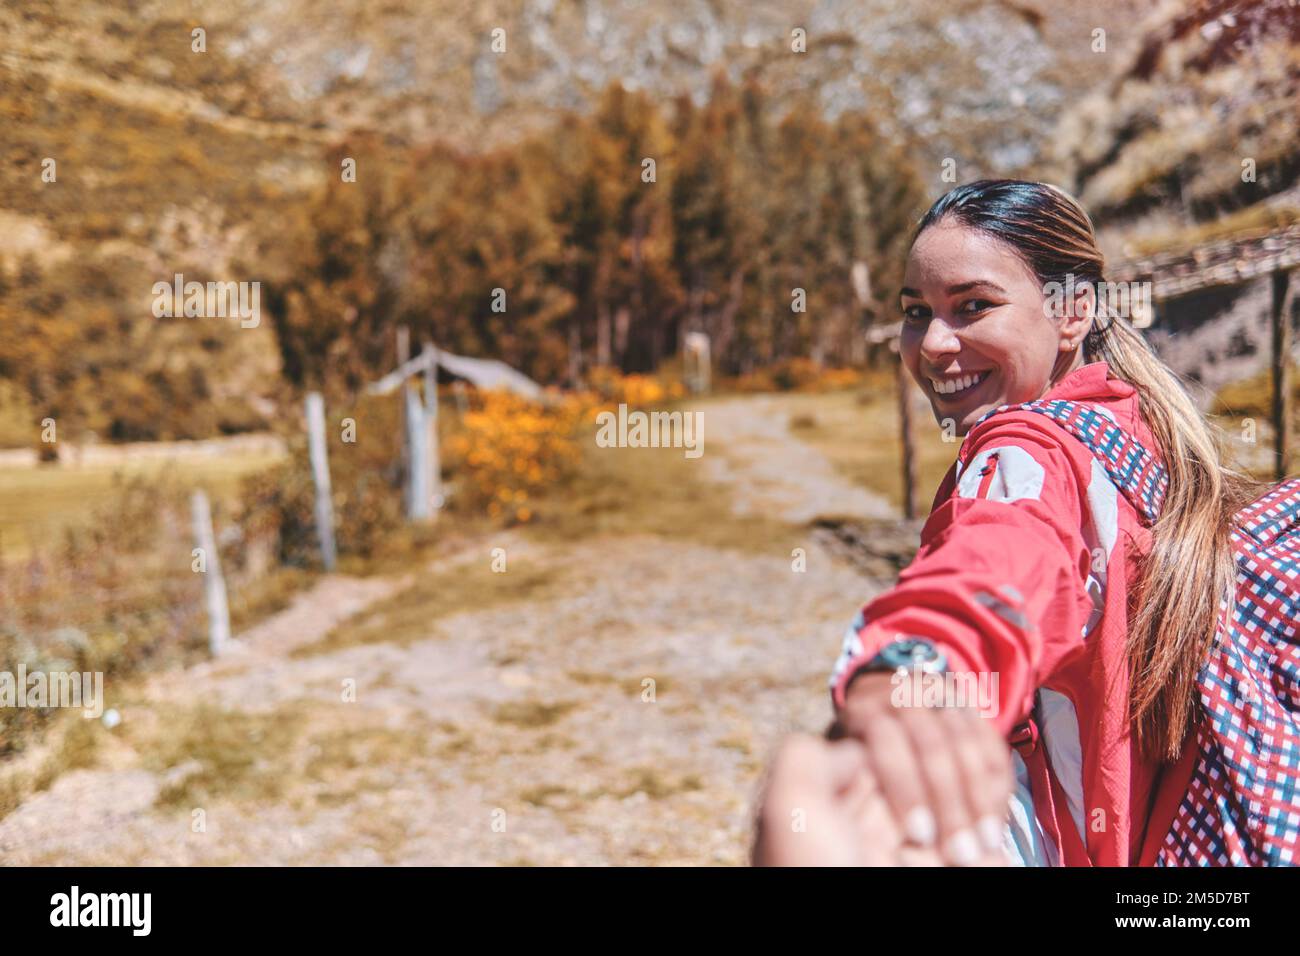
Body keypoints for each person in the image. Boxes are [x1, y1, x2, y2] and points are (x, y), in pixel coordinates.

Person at [753, 179, 1266, 867]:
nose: (933, 343)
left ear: (1072, 310)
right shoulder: (1134, 425)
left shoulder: (1024, 451)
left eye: (973, 306)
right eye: (916, 311)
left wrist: (916, 669)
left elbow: (1002, 556)